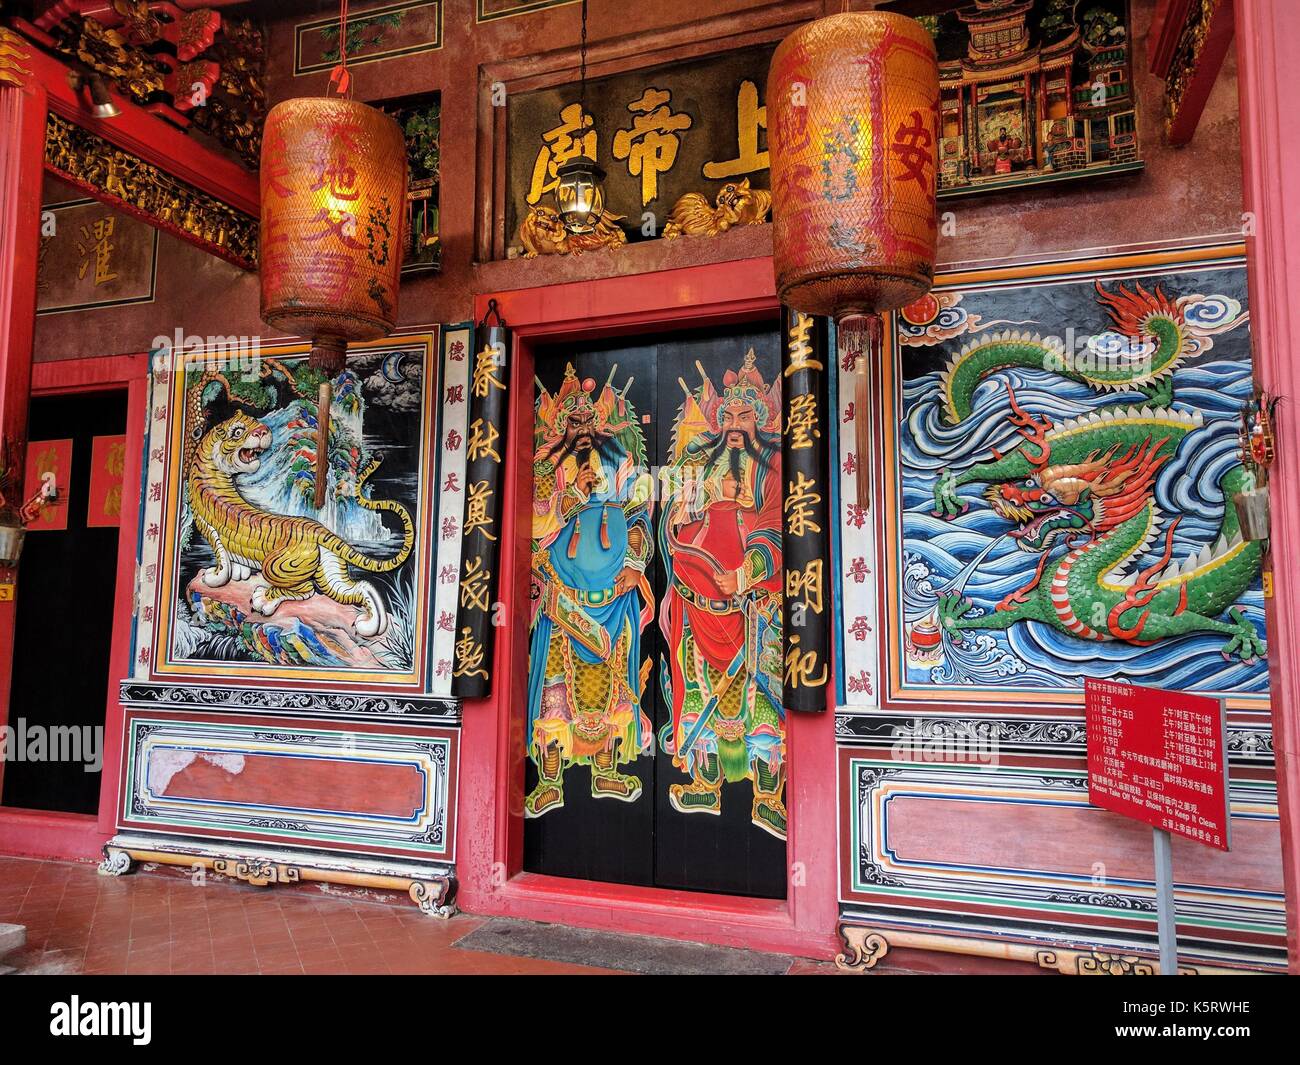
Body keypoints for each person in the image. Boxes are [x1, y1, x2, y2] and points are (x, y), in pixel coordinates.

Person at [659, 351, 787, 839]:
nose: (736, 426)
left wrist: (750, 570)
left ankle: (768, 793)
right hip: (696, 603)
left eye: (746, 416)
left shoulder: (772, 465)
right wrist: (680, 515)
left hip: (752, 607)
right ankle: (705, 783)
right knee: (698, 689)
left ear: (761, 418)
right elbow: (672, 515)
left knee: (760, 699)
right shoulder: (698, 461)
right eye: (728, 416)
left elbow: (778, 524)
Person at [526, 365, 654, 817]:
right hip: (564, 597)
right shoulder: (545, 466)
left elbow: (640, 517)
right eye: (573, 422)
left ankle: (607, 768)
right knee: (555, 690)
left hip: (614, 597)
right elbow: (534, 522)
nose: (582, 430)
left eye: (588, 422)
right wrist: (574, 499)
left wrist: (636, 565)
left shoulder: (621, 462)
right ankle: (549, 778)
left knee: (611, 684)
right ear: (561, 423)